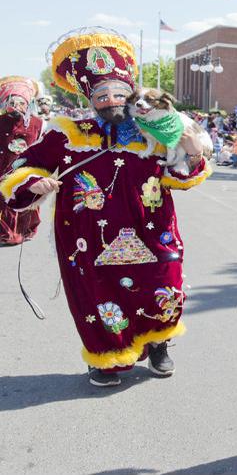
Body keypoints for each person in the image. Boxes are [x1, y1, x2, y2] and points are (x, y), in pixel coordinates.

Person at [0, 30, 211, 387]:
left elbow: (181, 177)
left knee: (163, 285)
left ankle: (159, 344)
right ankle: (104, 358)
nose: (111, 100)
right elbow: (23, 164)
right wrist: (32, 183)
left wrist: (192, 151)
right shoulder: (65, 133)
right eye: (102, 94)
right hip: (87, 239)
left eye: (119, 93)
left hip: (152, 231)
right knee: (97, 295)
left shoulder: (154, 130)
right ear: (90, 98)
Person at [0, 77, 44, 246]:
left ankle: (26, 229)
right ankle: (7, 233)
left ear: (27, 103)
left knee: (27, 199)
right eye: (12, 102)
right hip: (3, 168)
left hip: (27, 169)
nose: (17, 106)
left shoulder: (38, 123)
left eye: (21, 102)